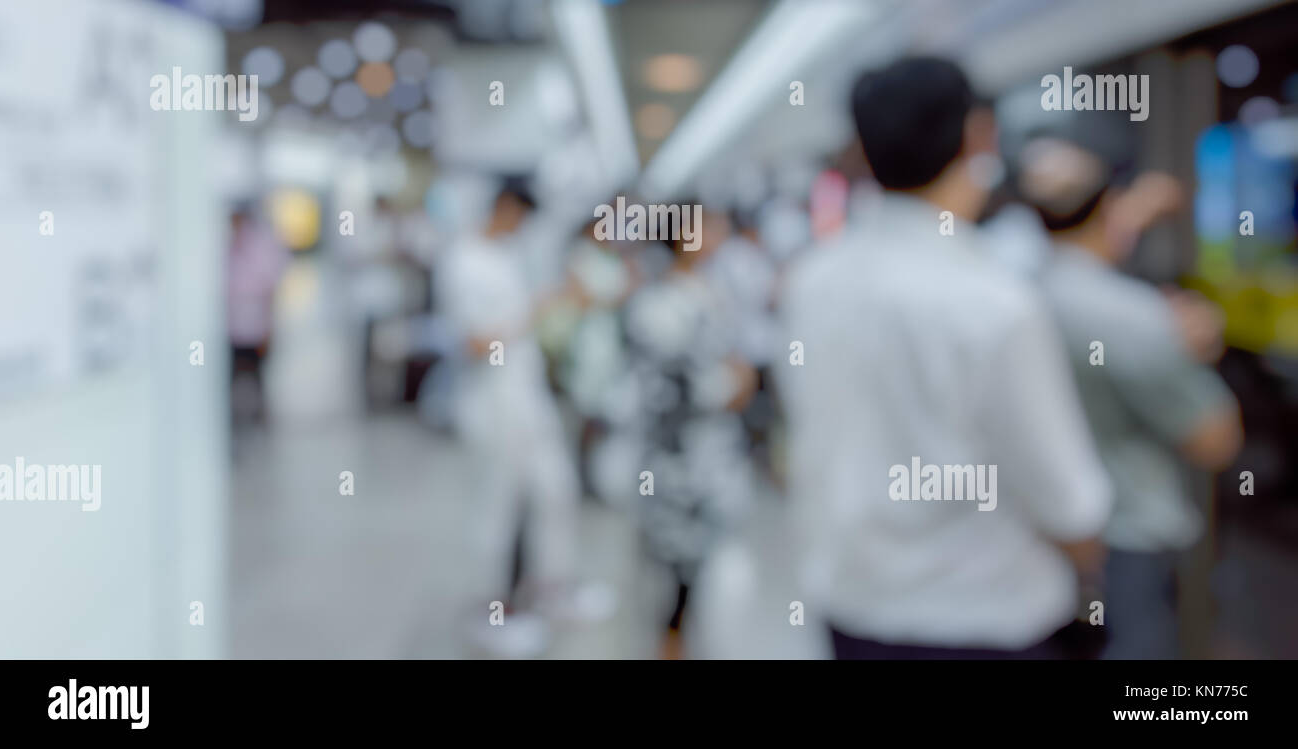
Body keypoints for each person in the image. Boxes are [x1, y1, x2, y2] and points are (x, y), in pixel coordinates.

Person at [779, 56, 1113, 659]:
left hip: (852, 611)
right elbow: (1068, 500)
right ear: (977, 136)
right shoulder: (995, 300)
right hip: (984, 620)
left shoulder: (812, 282)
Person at [1013, 136, 1243, 659]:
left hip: (1049, 537)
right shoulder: (1137, 319)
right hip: (1133, 541)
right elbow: (1215, 441)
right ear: (1110, 206)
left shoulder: (1016, 294)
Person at [436, 178, 608, 656]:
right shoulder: (462, 261)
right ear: (506, 207)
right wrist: (533, 313)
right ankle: (492, 610)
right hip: (491, 403)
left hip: (526, 396)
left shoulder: (505, 256)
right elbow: (472, 344)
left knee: (556, 490)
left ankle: (551, 588)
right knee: (497, 508)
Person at [620, 205, 758, 658]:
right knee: (675, 575)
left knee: (713, 578)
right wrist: (734, 382)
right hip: (677, 467)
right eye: (708, 224)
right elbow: (690, 388)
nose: (719, 232)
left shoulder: (712, 291)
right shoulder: (658, 306)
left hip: (715, 459)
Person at [226, 205, 289, 433]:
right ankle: (234, 420)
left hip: (254, 324)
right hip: (230, 326)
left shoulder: (260, 248)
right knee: (232, 375)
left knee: (256, 374)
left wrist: (268, 327)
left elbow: (269, 288)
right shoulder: (226, 248)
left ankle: (260, 417)